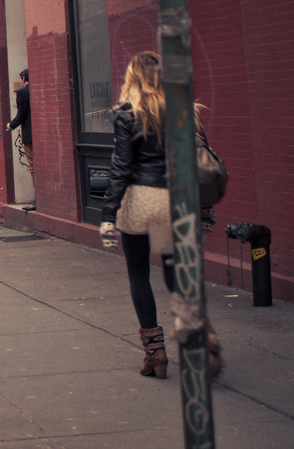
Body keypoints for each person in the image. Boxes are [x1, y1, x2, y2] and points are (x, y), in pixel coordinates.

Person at [100, 51, 221, 380]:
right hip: (175, 204)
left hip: (142, 204)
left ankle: (155, 353)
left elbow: (121, 168)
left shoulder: (127, 115)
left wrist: (108, 214)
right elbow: (199, 162)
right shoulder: (184, 111)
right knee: (175, 275)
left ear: (133, 79)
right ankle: (203, 332)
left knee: (139, 275)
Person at [6, 68, 34, 207]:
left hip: (29, 135)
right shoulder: (38, 90)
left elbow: (21, 114)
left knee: (33, 166)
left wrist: (11, 125)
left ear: (24, 79)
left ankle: (38, 198)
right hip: (39, 135)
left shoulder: (22, 93)